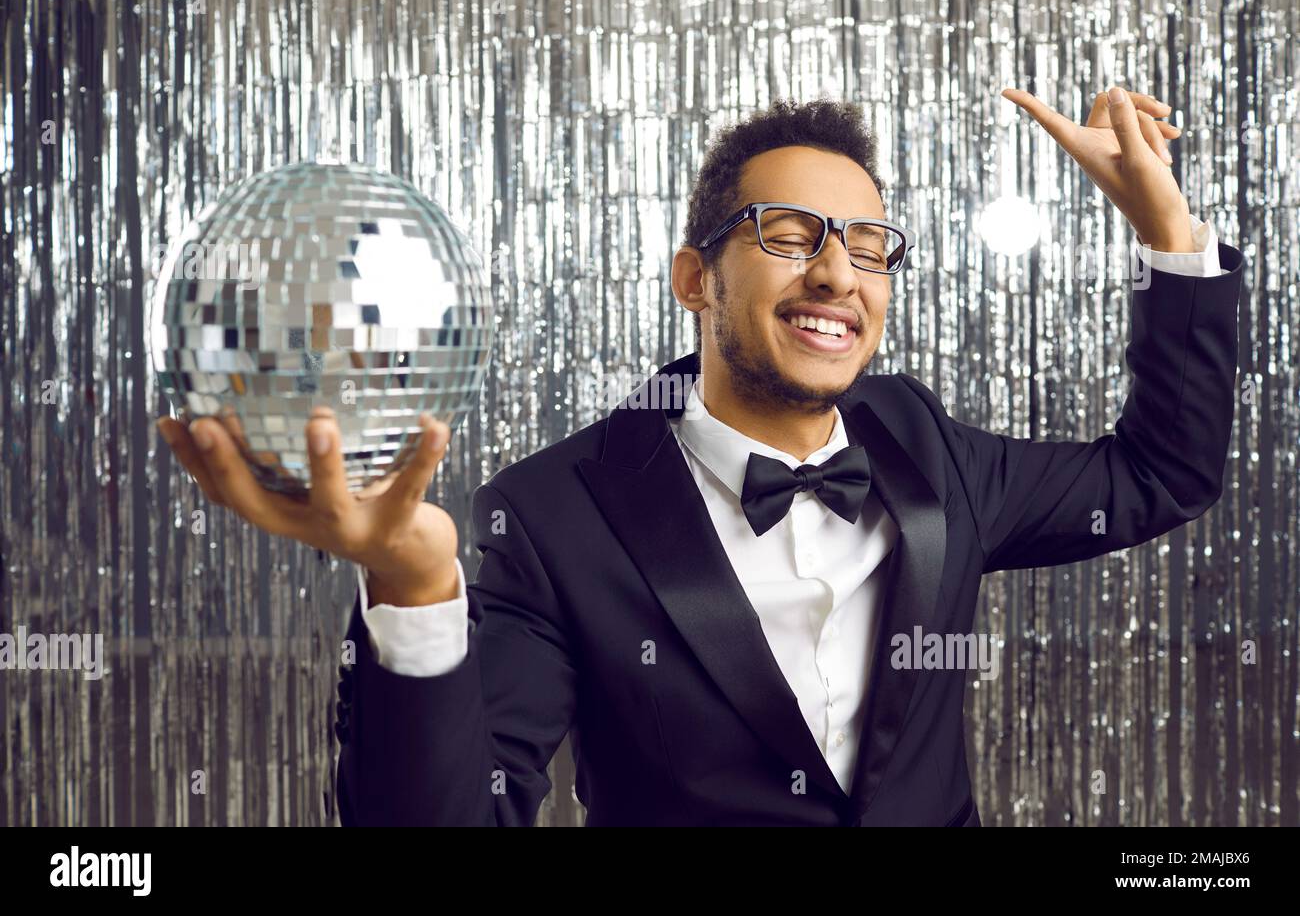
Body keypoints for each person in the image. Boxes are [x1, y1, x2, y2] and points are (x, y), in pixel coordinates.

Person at [157, 92, 1242, 826]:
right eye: (786, 233)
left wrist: (1166, 229)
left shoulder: (923, 444)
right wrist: (413, 584)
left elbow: (1159, 473)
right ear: (695, 277)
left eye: (867, 246)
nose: (835, 274)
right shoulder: (549, 517)